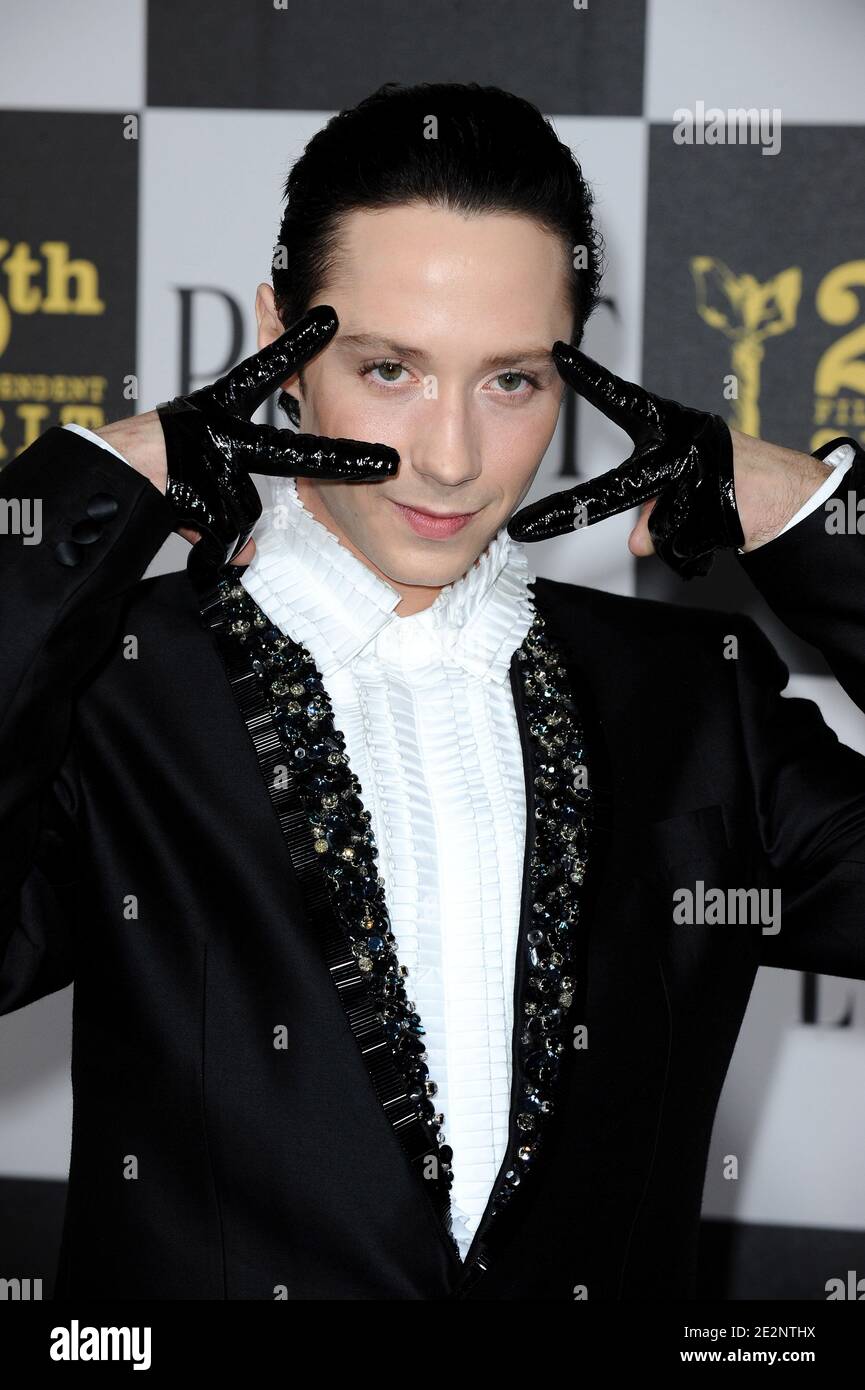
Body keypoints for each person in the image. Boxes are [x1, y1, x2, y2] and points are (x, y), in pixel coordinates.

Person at [1, 80, 863, 1302]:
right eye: (389, 368)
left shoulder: (684, 694)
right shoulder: (115, 690)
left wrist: (807, 514)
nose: (451, 457)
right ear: (275, 345)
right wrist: (110, 475)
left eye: (510, 379)